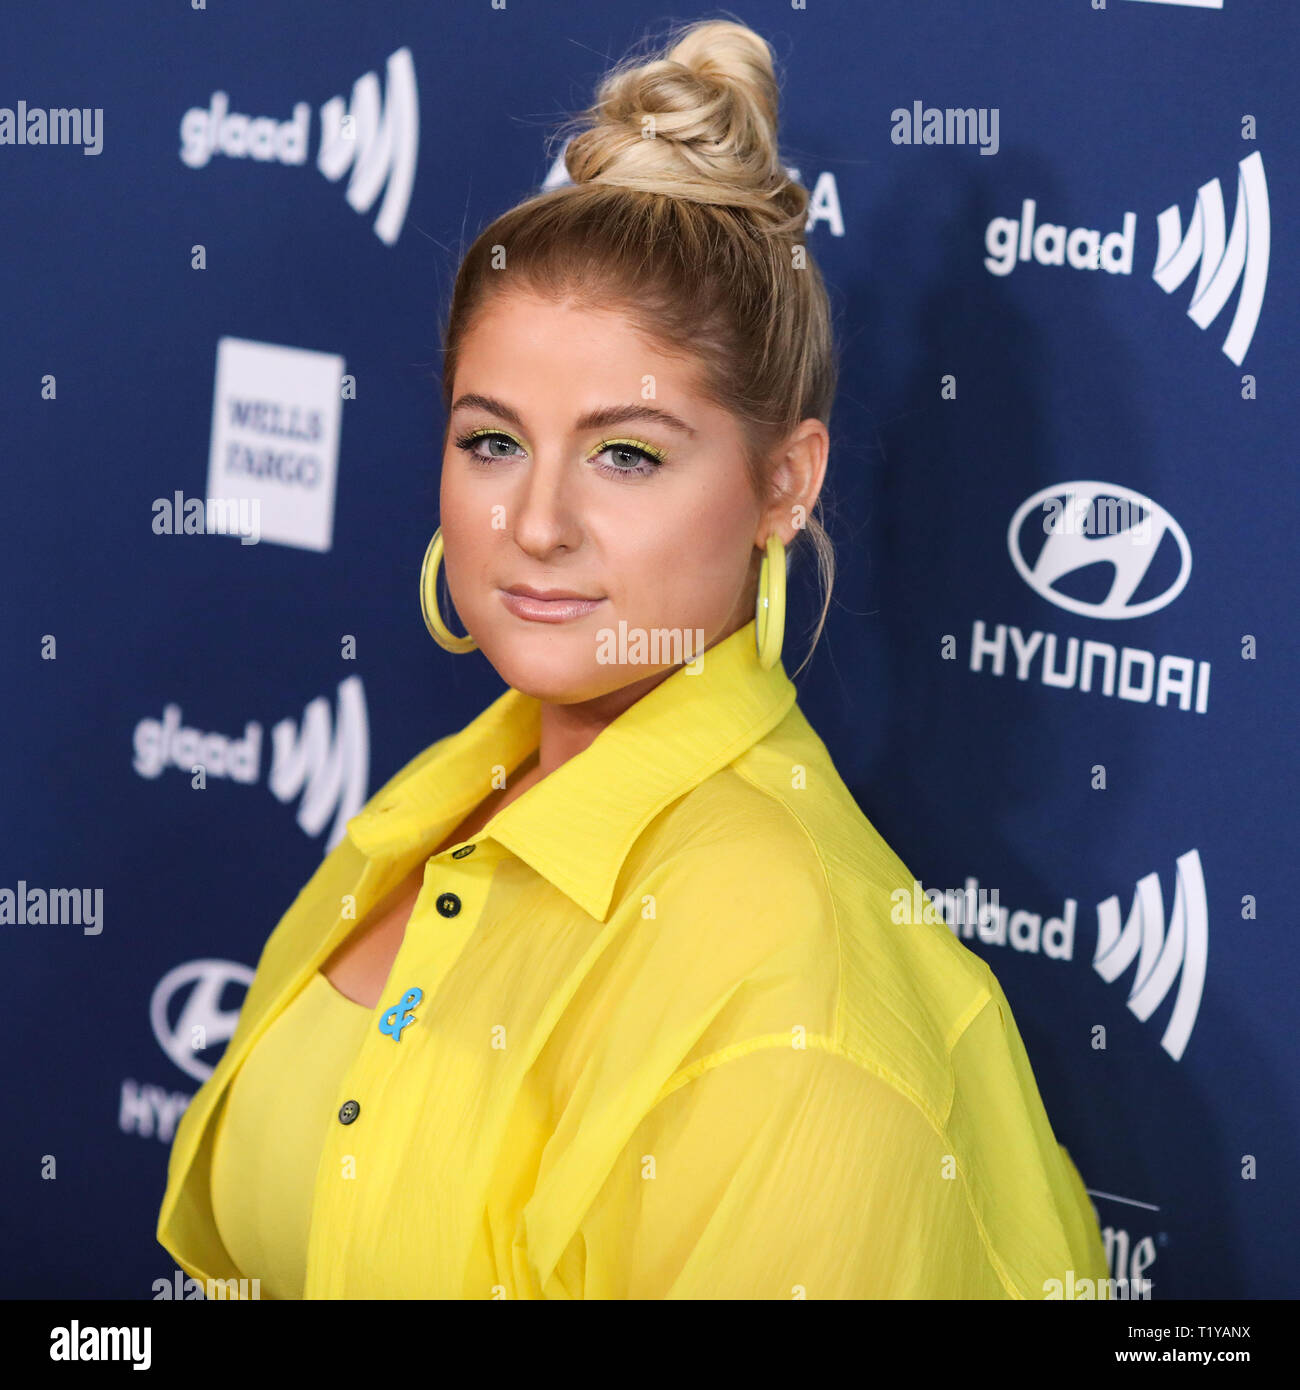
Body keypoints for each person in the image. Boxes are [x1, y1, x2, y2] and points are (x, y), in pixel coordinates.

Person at [156, 17, 1109, 1299]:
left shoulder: (796, 994)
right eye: (492, 441)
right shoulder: (439, 802)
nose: (535, 523)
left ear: (785, 483)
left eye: (627, 454)